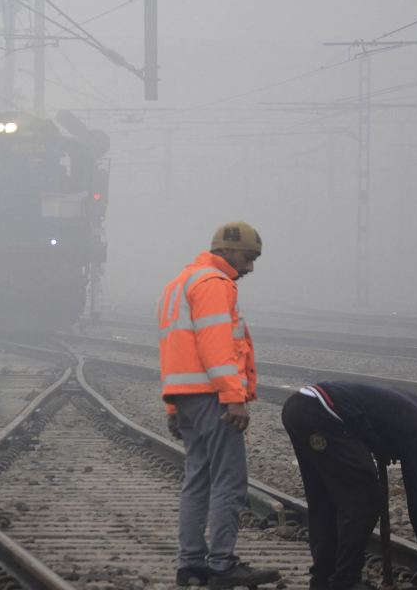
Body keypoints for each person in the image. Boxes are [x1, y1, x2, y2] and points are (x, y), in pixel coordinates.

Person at [158, 221, 279, 589]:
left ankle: (191, 564)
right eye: (247, 257)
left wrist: (174, 408)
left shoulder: (179, 283)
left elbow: (174, 350)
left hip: (186, 396)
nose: (249, 267)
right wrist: (234, 398)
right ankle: (223, 566)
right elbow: (215, 347)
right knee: (230, 482)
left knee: (198, 479)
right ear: (225, 251)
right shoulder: (213, 284)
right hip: (212, 396)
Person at [281, 381, 417, 590]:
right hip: (324, 413)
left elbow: (378, 416)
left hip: (301, 406)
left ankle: (322, 582)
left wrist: (384, 445)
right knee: (367, 498)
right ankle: (345, 582)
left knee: (325, 501)